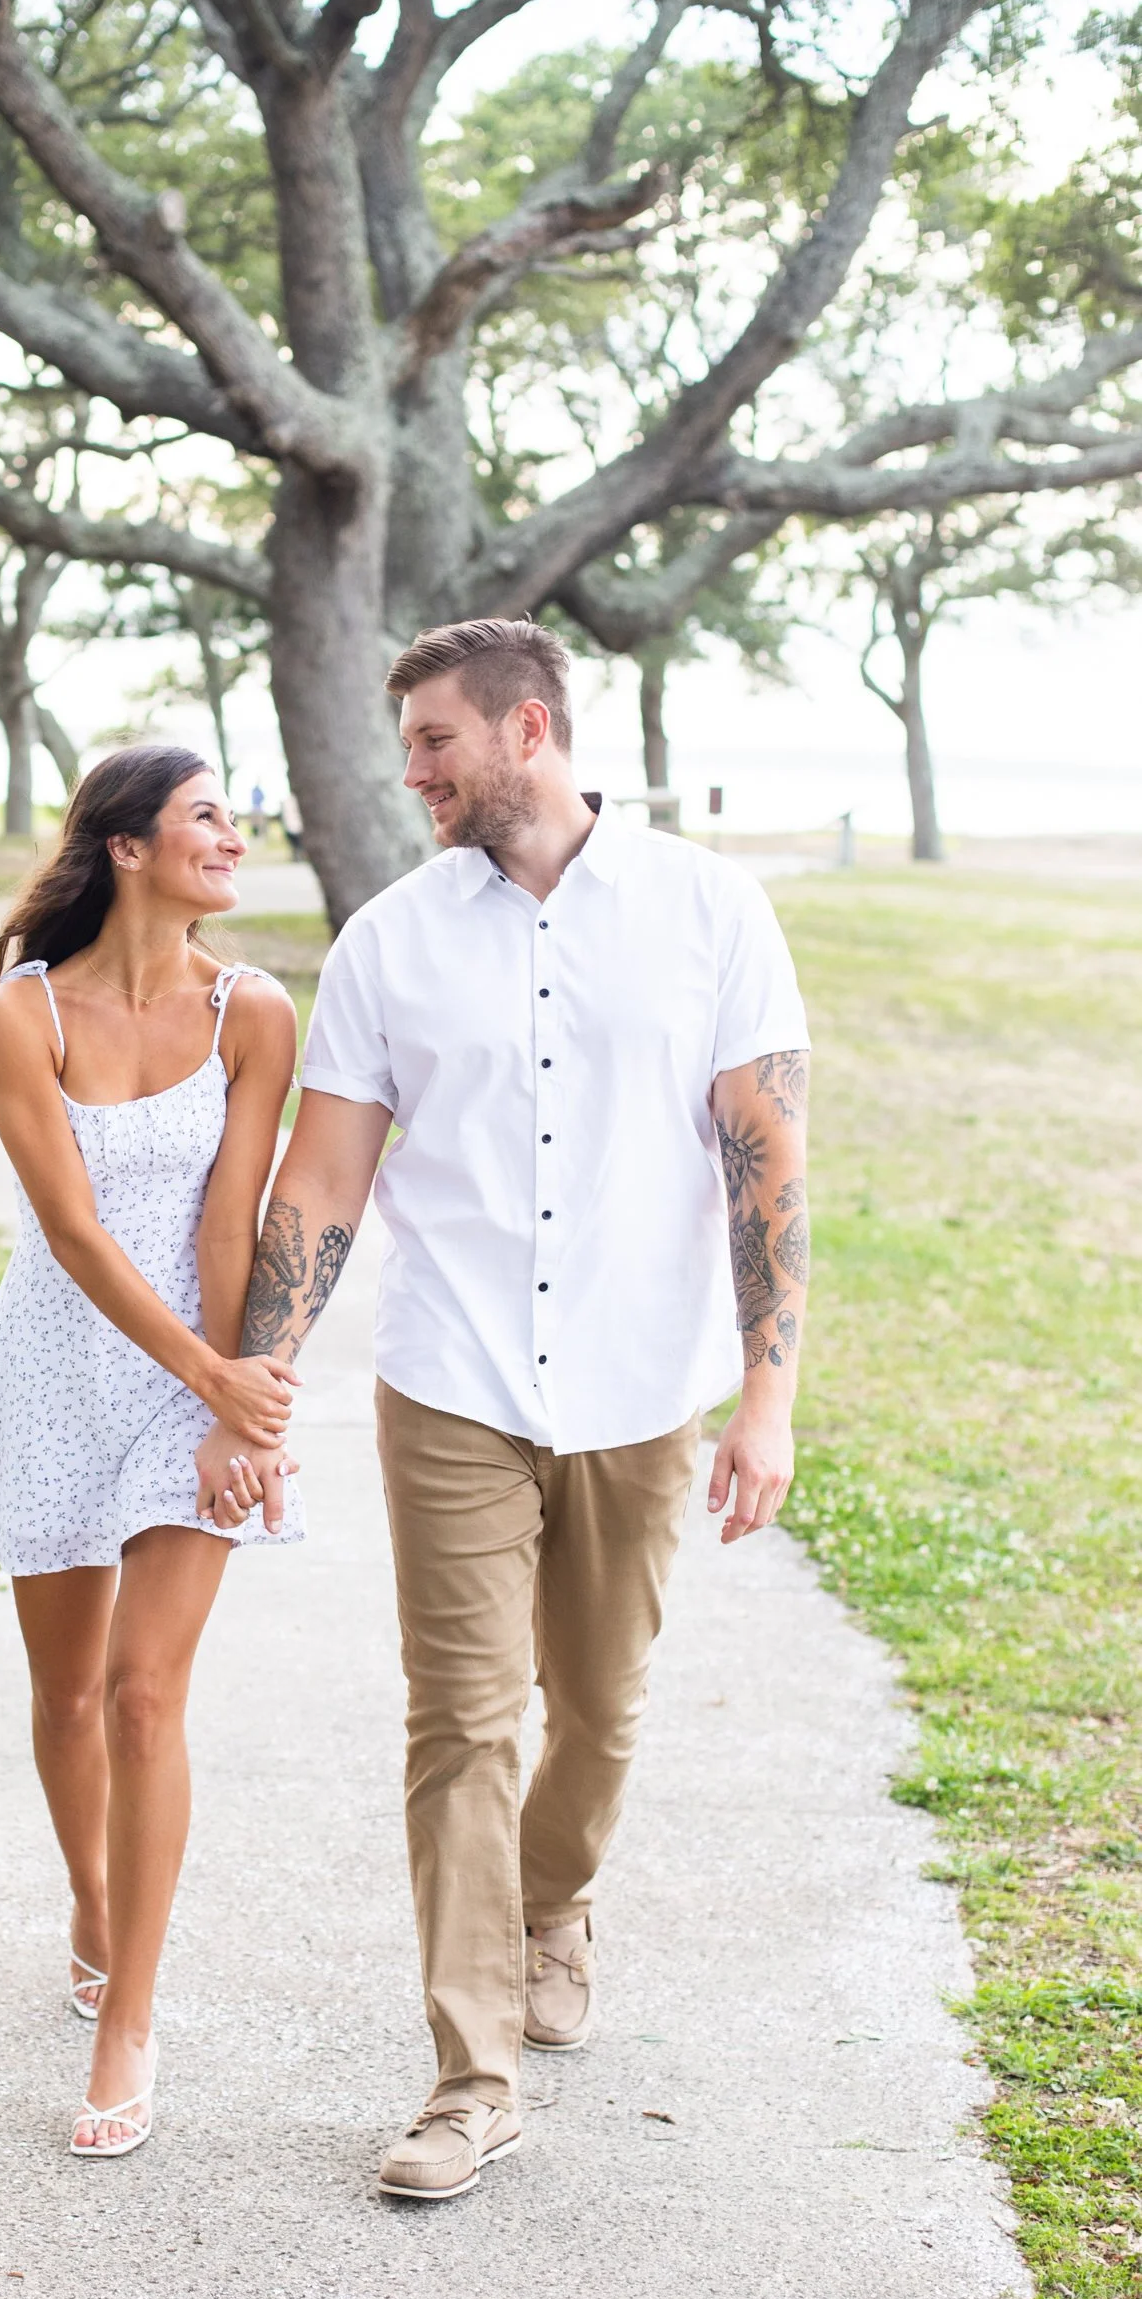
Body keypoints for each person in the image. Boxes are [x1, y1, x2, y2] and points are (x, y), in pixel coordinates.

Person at [199, 618, 810, 2201]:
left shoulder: (706, 909)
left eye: (432, 744)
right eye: (407, 746)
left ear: (525, 730)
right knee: (460, 1723)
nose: (411, 774)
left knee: (598, 1710)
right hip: (453, 1378)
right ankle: (469, 2081)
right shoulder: (391, 941)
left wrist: (767, 1394)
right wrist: (258, 1387)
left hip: (637, 1385)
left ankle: (556, 1904)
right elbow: (323, 1179)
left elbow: (763, 1158)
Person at [0, 744, 304, 2161]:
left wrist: (229, 1398)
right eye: (208, 815)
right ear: (131, 848)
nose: (235, 834)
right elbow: (76, 1234)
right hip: (56, 1365)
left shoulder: (254, 1011)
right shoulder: (21, 1013)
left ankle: (128, 2018)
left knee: (143, 1693)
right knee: (67, 1701)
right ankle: (89, 1900)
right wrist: (203, 1364)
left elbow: (234, 1219)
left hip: (191, 1382)